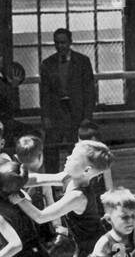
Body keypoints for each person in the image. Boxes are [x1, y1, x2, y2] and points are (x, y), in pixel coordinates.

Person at [39, 28, 96, 173]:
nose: (60, 46)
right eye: (57, 43)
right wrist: (45, 116)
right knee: (51, 150)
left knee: (77, 151)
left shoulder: (82, 62)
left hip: (76, 113)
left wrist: (87, 116)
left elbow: (89, 91)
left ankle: (78, 181)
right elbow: (44, 93)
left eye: (63, 42)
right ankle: (52, 184)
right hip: (55, 114)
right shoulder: (47, 64)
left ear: (70, 42)